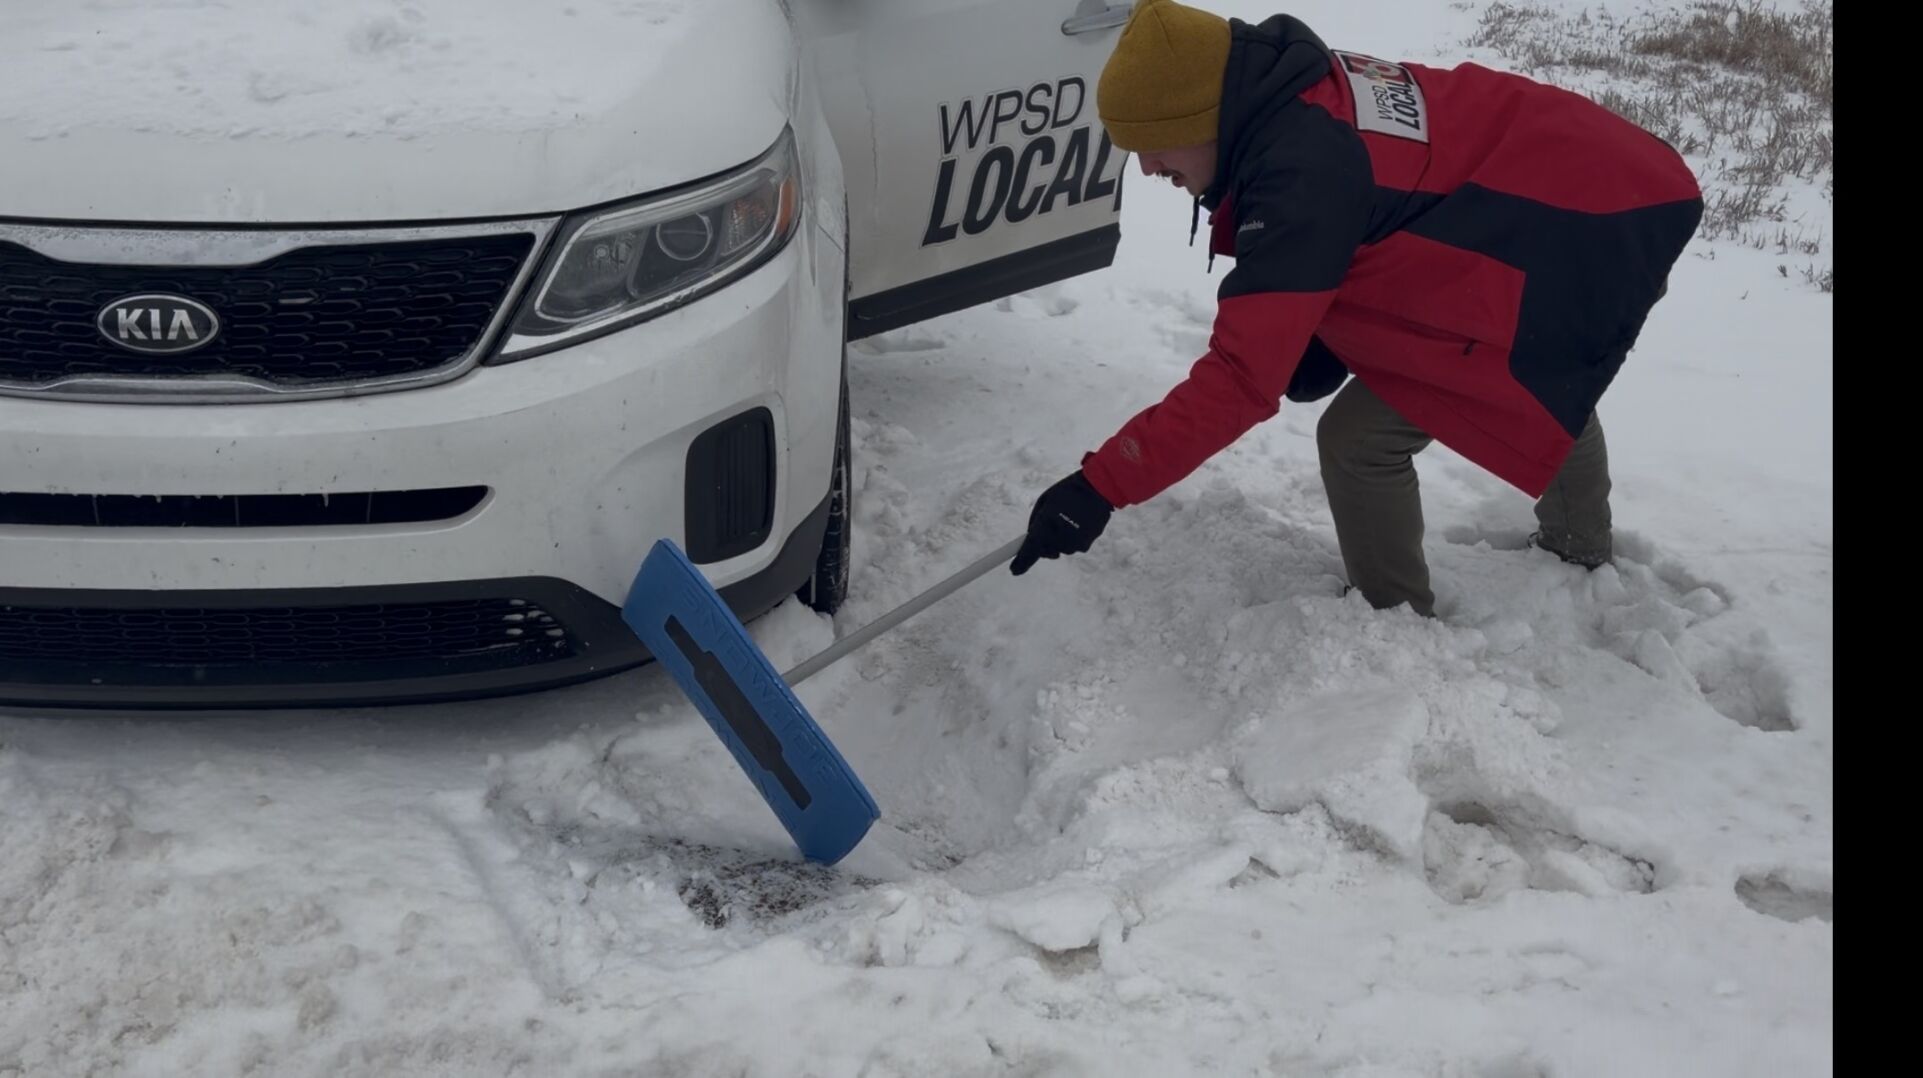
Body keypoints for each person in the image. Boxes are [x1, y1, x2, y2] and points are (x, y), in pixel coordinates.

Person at [1008, 0, 1704, 618]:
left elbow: (1241, 379)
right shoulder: (1291, 94)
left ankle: (1391, 618)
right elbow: (1389, 209)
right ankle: (1577, 548)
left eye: (1151, 146)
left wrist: (1100, 485)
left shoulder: (1300, 176)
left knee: (1364, 439)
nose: (1147, 170)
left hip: (1589, 226)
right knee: (1529, 369)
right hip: (1591, 192)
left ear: (1201, 117)